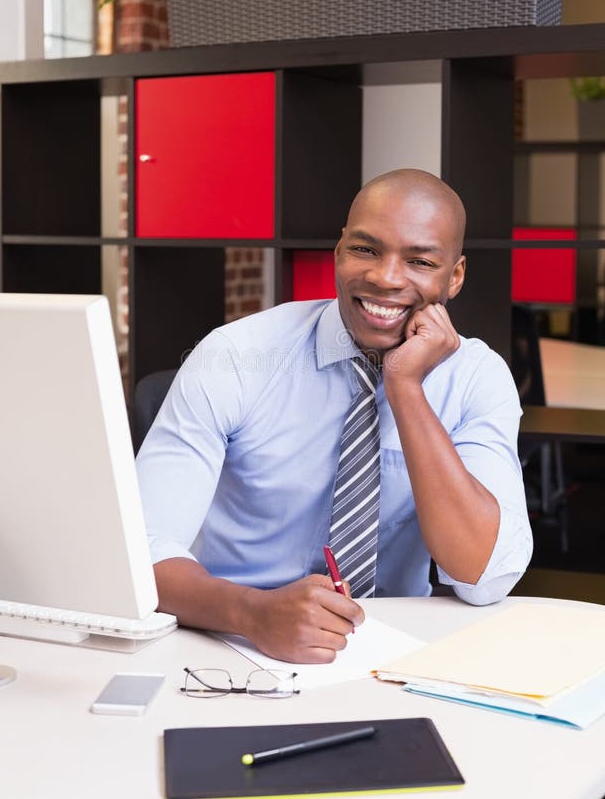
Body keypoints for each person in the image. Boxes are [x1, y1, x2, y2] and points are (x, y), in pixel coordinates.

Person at [136, 168, 532, 663]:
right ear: (339, 250)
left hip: (394, 650)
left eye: (420, 261)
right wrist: (253, 614)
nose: (386, 277)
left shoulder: (476, 377)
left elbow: (485, 576)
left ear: (454, 276)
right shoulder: (235, 356)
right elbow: (140, 551)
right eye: (366, 249)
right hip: (228, 641)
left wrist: (405, 388)